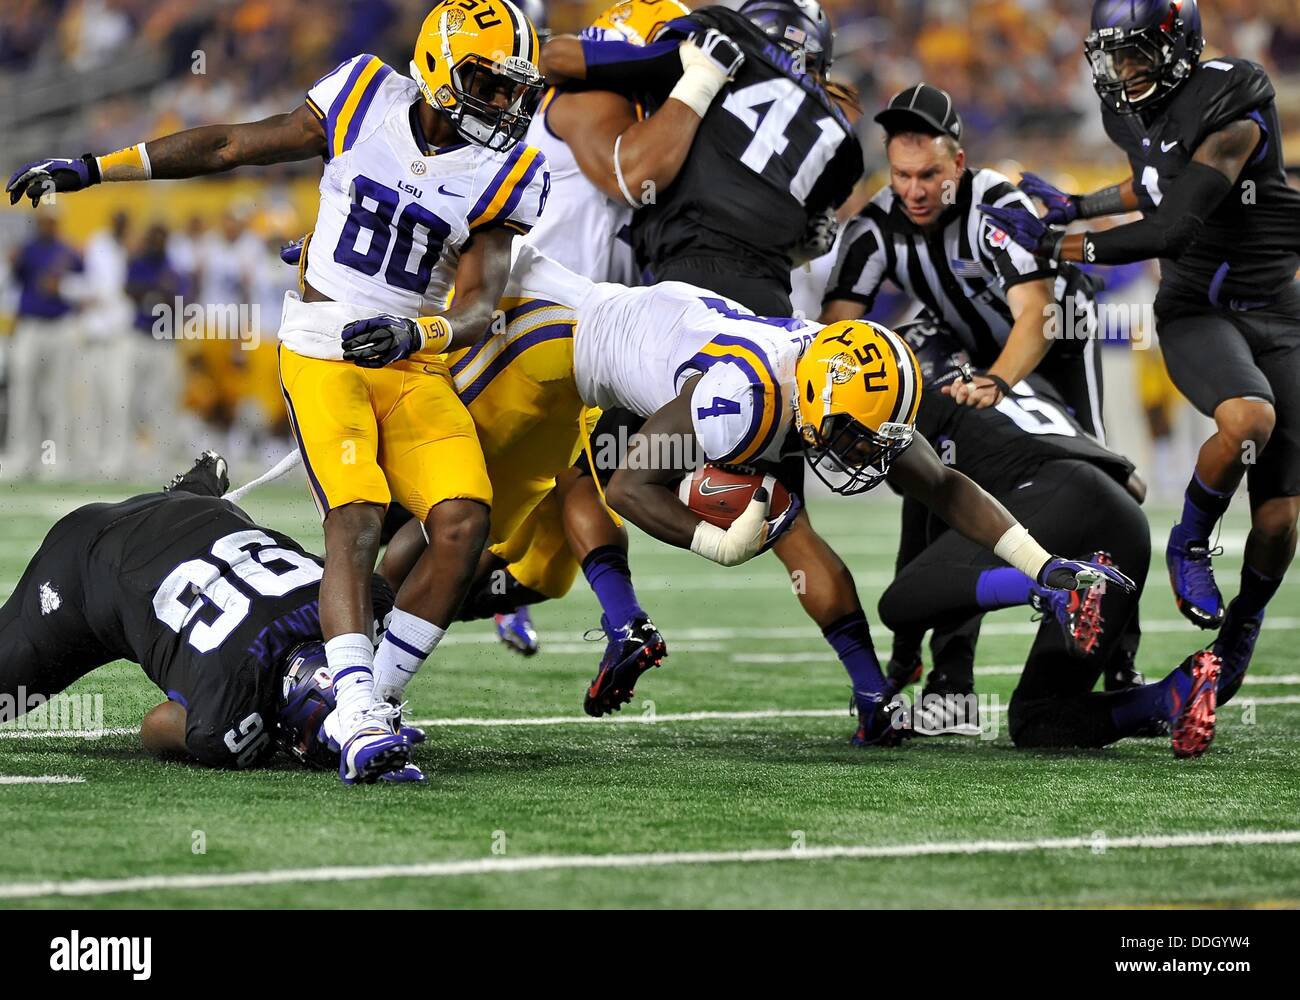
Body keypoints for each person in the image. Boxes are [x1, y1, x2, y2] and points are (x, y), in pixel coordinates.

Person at [8, 0, 551, 784]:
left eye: (512, 91)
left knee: (465, 523)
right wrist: (99, 166)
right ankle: (356, 708)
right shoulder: (365, 95)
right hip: (324, 348)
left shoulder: (508, 169)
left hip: (412, 363)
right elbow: (230, 142)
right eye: (487, 85)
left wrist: (416, 336)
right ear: (437, 67)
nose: (503, 105)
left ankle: (368, 702)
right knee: (357, 513)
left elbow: (478, 303)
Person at [352, 246, 1135, 745]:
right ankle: (353, 673)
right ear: (821, 402)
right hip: (548, 344)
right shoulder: (746, 399)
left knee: (774, 511)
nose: (871, 456)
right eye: (863, 439)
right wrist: (713, 543)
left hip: (613, 344)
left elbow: (942, 481)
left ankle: (363, 660)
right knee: (450, 511)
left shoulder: (835, 385)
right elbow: (632, 481)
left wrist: (1044, 566)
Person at [979, 0, 1300, 704]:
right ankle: (1189, 542)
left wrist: (1053, 242)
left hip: (1278, 313)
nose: (1119, 72)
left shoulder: (1233, 109)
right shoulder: (1142, 110)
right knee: (1247, 421)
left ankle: (1242, 626)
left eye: (1133, 55)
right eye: (1112, 56)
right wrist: (1075, 205)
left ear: (1174, 47)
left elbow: (1172, 226)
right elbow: (1150, 182)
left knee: (1279, 519)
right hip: (1196, 311)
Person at [875, 327, 1219, 758]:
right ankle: (1170, 694)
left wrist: (901, 665)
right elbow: (1133, 485)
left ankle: (1046, 589)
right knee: (1039, 721)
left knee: (897, 602)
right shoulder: (1023, 381)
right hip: (1123, 522)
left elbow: (920, 561)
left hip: (1053, 499)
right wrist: (1121, 659)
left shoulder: (925, 402)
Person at [0, 452, 422, 781]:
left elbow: (392, 566)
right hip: (87, 561)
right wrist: (254, 734)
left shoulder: (357, 608)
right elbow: (155, 727)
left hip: (201, 517)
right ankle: (185, 496)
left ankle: (191, 492)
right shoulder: (232, 716)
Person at [541, 0, 862, 317]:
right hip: (767, 303)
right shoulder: (843, 140)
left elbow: (557, 57)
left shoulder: (714, 61)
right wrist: (797, 246)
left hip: (673, 287)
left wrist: (690, 67)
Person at [3, 213, 81, 480]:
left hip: (60, 327)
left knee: (57, 395)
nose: (47, 225)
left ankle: (55, 460)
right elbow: (12, 280)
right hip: (31, 326)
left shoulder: (69, 252)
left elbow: (85, 287)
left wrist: (64, 286)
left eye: (51, 220)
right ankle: (20, 456)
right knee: (22, 393)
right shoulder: (27, 251)